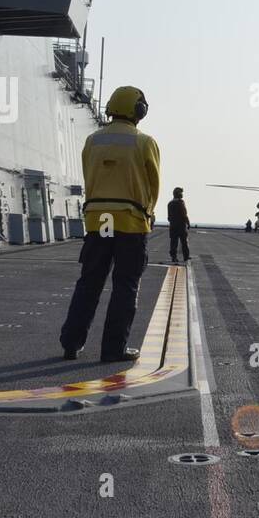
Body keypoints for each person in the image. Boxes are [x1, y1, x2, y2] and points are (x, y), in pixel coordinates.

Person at [59, 86, 160, 363]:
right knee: (125, 285)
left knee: (89, 282)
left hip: (98, 220)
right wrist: (148, 212)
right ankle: (113, 349)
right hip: (130, 221)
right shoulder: (144, 142)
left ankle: (71, 343)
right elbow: (154, 184)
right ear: (139, 111)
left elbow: (88, 173)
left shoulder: (92, 140)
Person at [167, 187, 190, 264]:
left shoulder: (170, 203)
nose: (182, 194)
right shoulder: (181, 202)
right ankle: (186, 257)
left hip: (173, 226)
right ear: (178, 194)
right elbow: (184, 214)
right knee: (184, 242)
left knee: (173, 242)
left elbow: (169, 217)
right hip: (181, 226)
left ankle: (174, 257)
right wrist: (188, 222)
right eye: (181, 193)